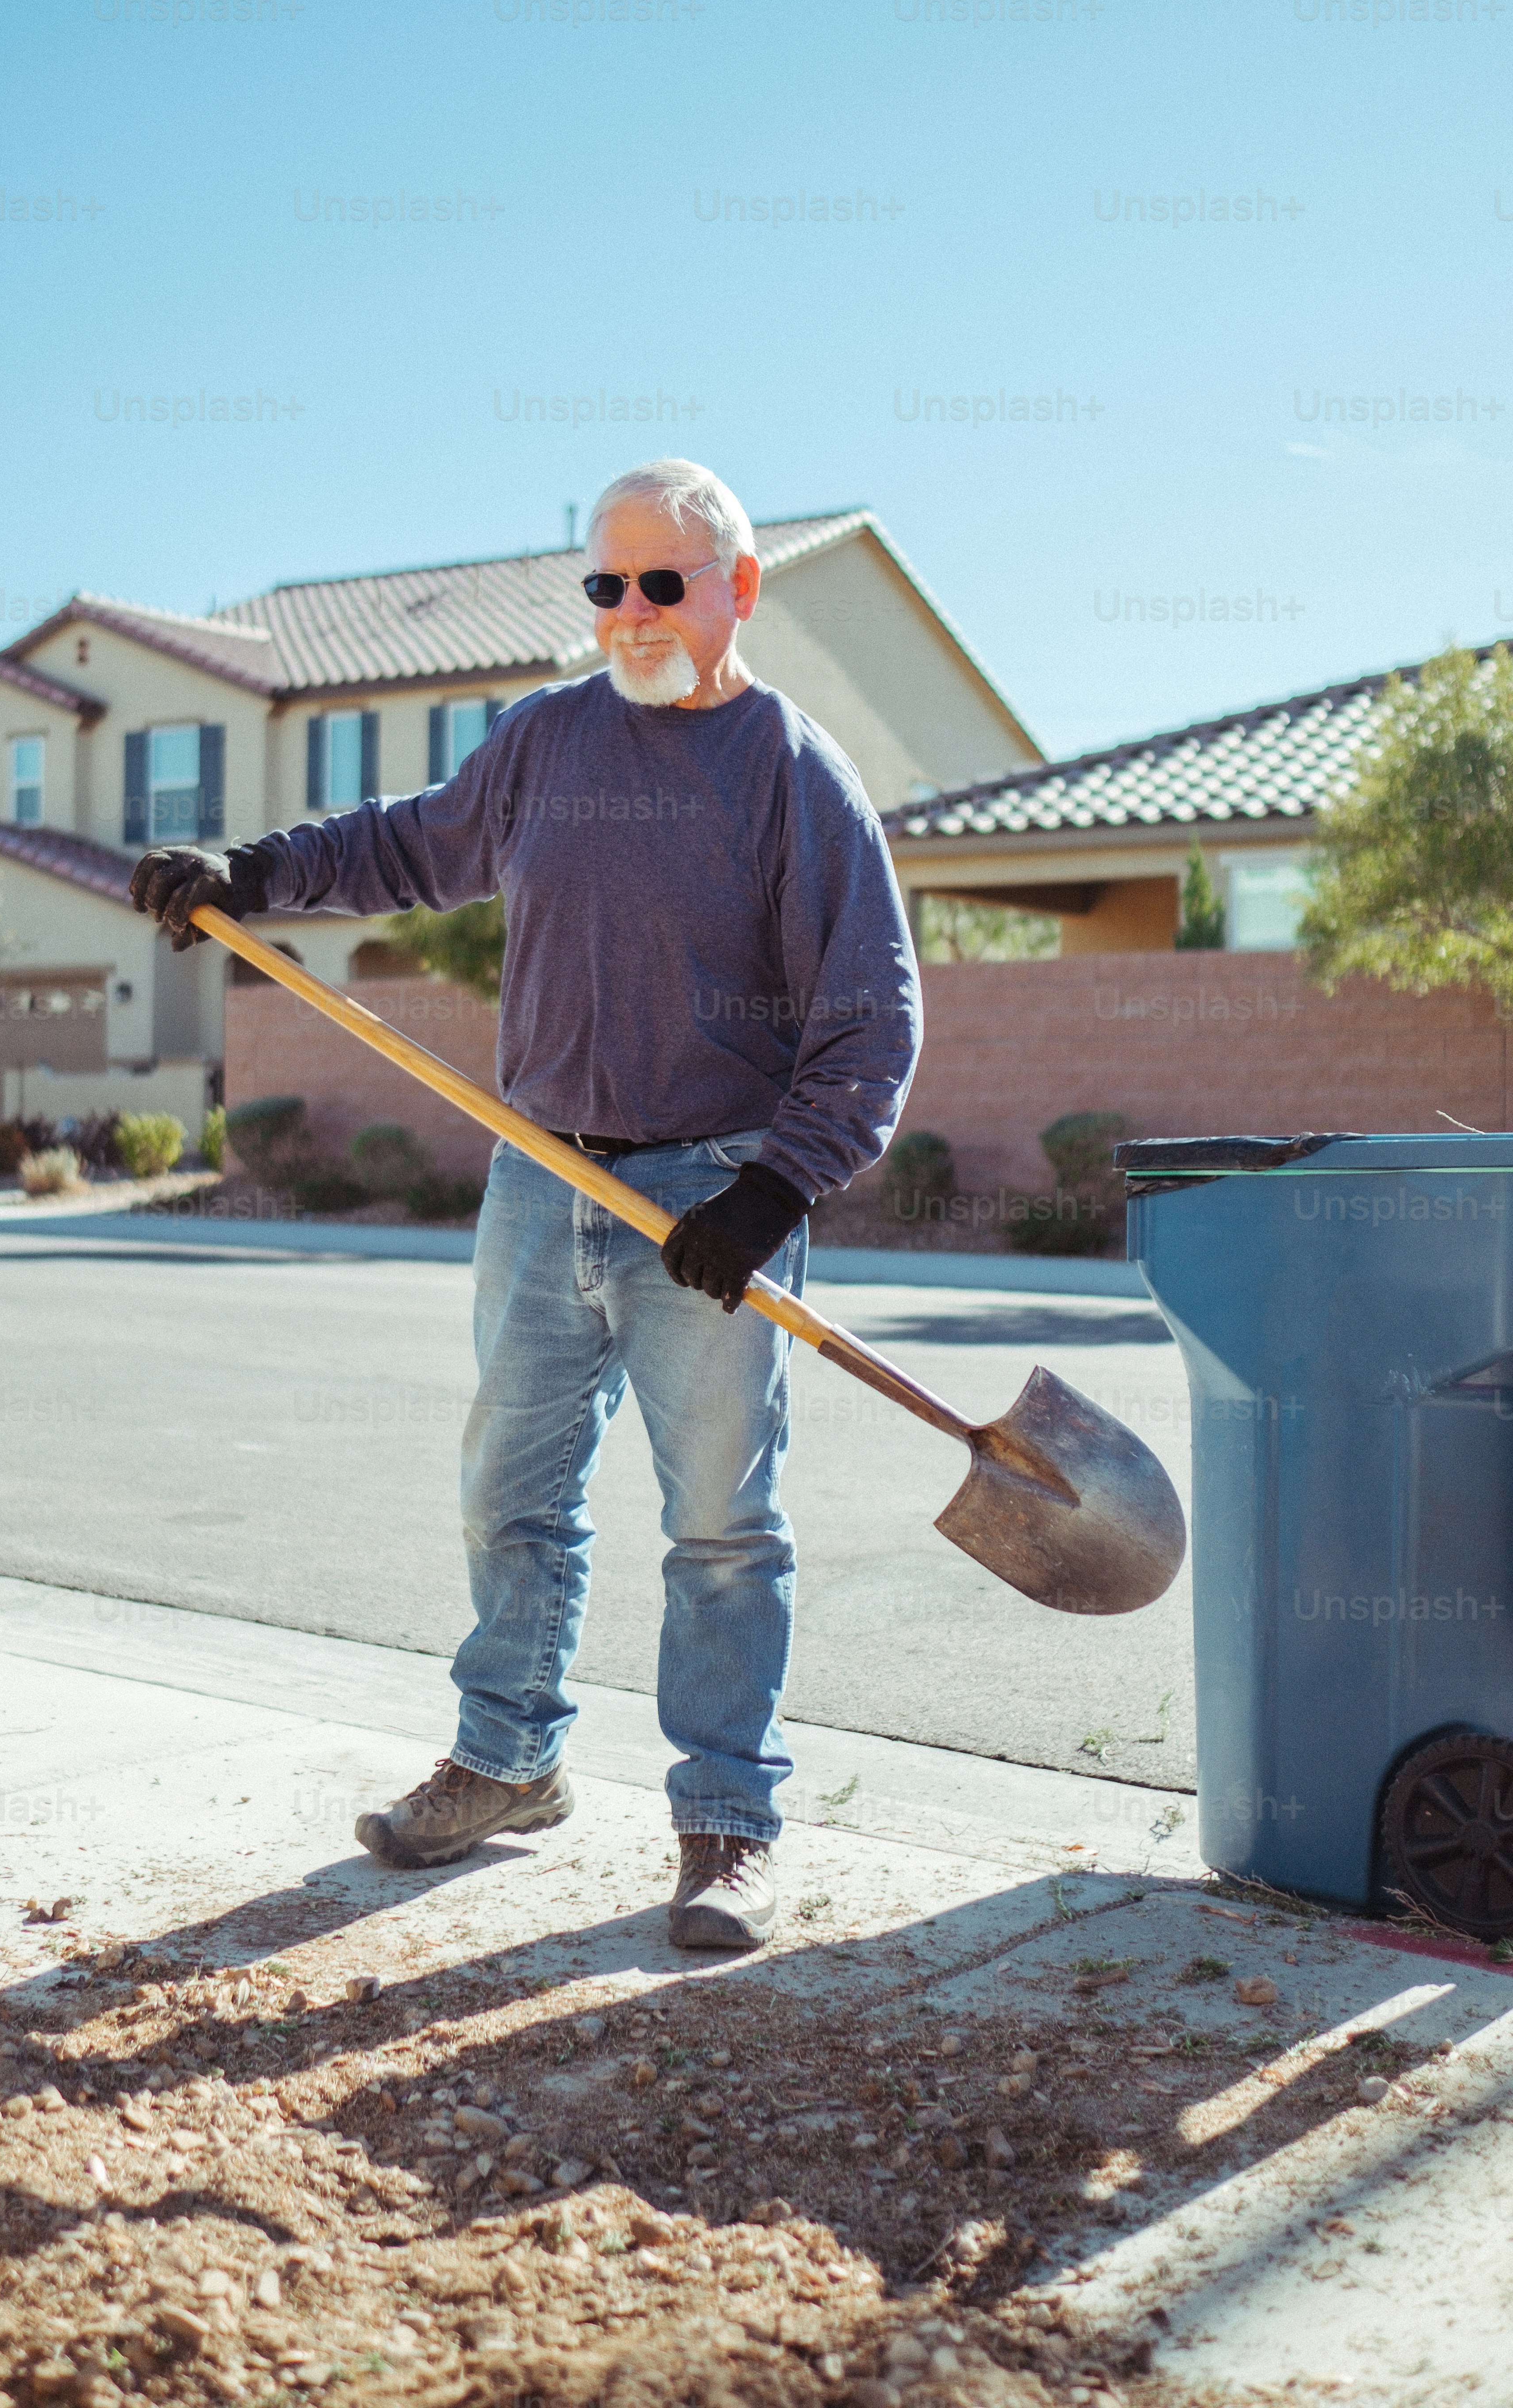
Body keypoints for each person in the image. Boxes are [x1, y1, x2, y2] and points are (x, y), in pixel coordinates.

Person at [131, 458, 921, 1948]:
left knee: (722, 1526)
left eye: (662, 584)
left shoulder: (792, 771)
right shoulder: (549, 740)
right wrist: (249, 868)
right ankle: (507, 1762)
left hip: (713, 1190)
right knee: (511, 1495)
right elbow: (405, 844)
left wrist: (776, 1186)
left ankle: (729, 1823)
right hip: (538, 1175)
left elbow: (871, 1015)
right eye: (605, 585)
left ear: (739, 590)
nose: (629, 611)